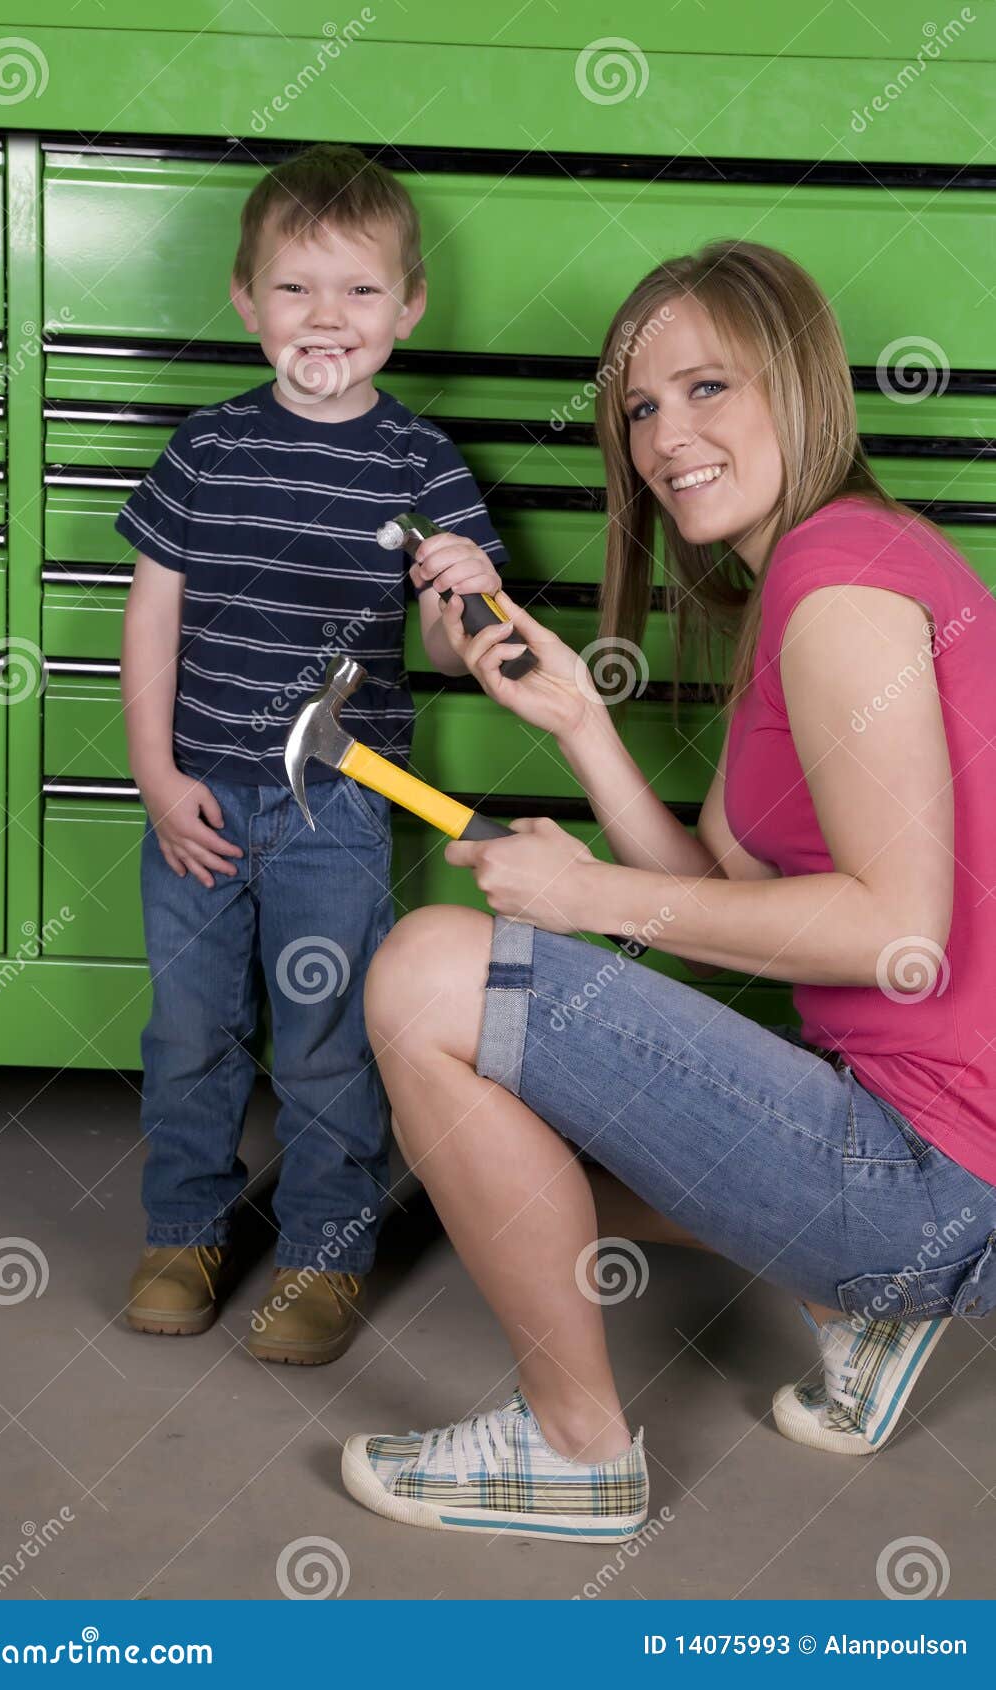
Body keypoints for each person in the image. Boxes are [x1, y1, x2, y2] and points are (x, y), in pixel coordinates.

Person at [340, 239, 996, 1542]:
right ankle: (858, 1310)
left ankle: (573, 1451)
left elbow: (892, 929)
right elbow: (723, 895)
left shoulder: (838, 583)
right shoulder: (813, 579)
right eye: (639, 407)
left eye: (706, 389)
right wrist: (580, 724)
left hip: (936, 1174)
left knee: (425, 973)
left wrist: (583, 899)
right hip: (922, 1155)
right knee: (512, 1136)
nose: (661, 436)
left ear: (797, 384)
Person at [116, 143, 506, 1363]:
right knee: (191, 1026)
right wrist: (154, 777)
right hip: (198, 794)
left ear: (408, 308)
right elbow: (151, 616)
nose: (325, 318)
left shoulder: (417, 465)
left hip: (337, 800)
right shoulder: (206, 451)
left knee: (328, 1022)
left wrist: (463, 593)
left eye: (357, 291)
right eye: (294, 289)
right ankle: (183, 1229)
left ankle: (324, 1251)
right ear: (245, 299)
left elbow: (448, 654)